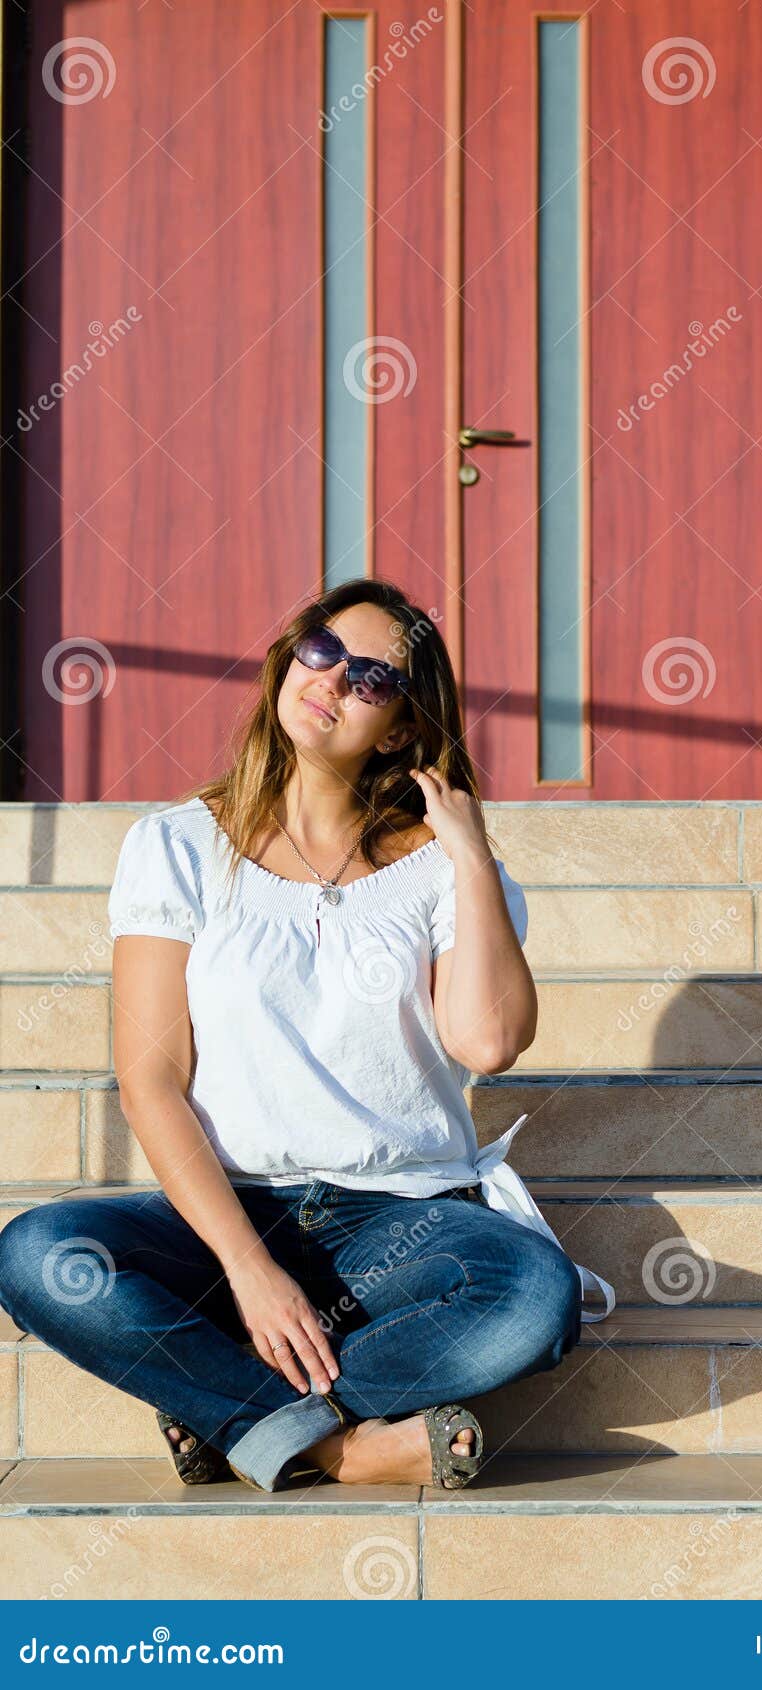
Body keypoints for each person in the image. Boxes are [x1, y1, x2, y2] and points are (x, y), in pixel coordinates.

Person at [0, 578, 613, 1493]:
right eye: (322, 651)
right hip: (226, 1216)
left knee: (532, 1296)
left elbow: (487, 1042)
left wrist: (472, 856)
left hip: (400, 1223)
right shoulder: (175, 846)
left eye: (371, 678)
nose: (332, 681)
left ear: (404, 726)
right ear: (292, 657)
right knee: (41, 1256)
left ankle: (233, 1413)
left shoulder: (443, 869)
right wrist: (248, 1269)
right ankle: (340, 1448)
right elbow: (151, 1081)